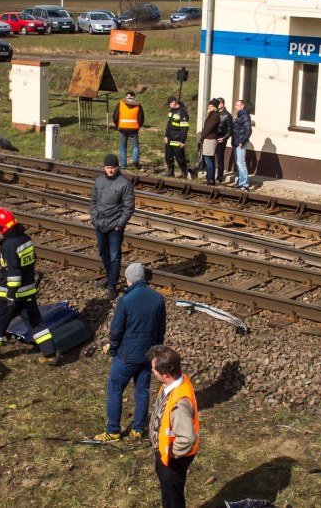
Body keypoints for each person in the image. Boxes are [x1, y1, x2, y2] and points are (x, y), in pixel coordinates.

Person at [0, 208, 61, 366]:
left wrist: (10, 295)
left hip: (10, 293)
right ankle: (51, 354)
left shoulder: (9, 245)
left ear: (0, 227)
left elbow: (14, 274)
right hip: (28, 290)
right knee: (35, 322)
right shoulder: (25, 238)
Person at [94, 263, 166, 442]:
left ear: (129, 280)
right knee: (142, 391)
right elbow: (161, 329)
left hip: (127, 355)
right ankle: (137, 429)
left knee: (115, 389)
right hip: (148, 354)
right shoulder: (157, 299)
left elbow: (116, 330)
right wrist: (155, 350)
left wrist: (114, 348)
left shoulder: (125, 300)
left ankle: (113, 430)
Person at [148, 345, 198, 508]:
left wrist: (170, 454)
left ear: (165, 374)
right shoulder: (176, 382)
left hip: (173, 459)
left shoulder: (180, 404)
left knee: (172, 500)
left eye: (153, 369)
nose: (152, 371)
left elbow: (187, 438)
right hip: (167, 453)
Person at [91, 153, 135, 300]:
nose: (110, 170)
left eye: (112, 168)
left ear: (117, 167)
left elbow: (129, 207)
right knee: (103, 252)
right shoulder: (99, 181)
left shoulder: (124, 183)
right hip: (100, 224)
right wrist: (94, 217)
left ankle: (112, 285)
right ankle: (110, 277)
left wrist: (119, 224)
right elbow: (94, 201)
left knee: (115, 256)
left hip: (114, 226)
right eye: (107, 168)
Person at [111, 91, 145, 170]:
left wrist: (117, 125)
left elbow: (115, 116)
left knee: (123, 147)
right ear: (134, 97)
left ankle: (123, 165)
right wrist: (138, 126)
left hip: (122, 128)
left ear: (126, 96)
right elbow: (141, 118)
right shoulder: (138, 105)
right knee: (135, 146)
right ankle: (135, 161)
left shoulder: (120, 104)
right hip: (134, 129)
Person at [163, 95, 190, 179]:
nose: (169, 105)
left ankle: (184, 173)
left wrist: (182, 141)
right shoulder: (172, 111)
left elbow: (184, 128)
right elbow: (169, 125)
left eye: (170, 103)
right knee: (168, 156)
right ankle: (170, 172)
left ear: (174, 102)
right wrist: (166, 136)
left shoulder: (182, 112)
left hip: (178, 139)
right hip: (169, 139)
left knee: (180, 158)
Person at [232, 99, 252, 190]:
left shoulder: (245, 116)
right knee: (238, 163)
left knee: (241, 163)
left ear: (242, 106)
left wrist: (242, 141)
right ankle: (240, 182)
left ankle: (245, 184)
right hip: (236, 142)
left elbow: (248, 130)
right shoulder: (240, 115)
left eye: (237, 105)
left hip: (240, 143)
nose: (235, 107)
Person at [199, 100, 220, 186]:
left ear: (215, 106)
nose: (209, 107)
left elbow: (208, 128)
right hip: (208, 138)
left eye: (210, 106)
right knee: (209, 159)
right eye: (209, 106)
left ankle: (210, 179)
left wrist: (202, 136)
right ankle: (210, 178)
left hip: (210, 139)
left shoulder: (215, 115)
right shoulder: (212, 114)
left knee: (208, 159)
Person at [214, 99, 232, 183]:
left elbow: (230, 130)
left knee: (220, 159)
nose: (216, 105)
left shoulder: (227, 115)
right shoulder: (215, 113)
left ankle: (219, 177)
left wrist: (224, 138)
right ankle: (210, 175)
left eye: (218, 103)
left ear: (222, 104)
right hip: (213, 138)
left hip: (221, 139)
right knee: (211, 157)